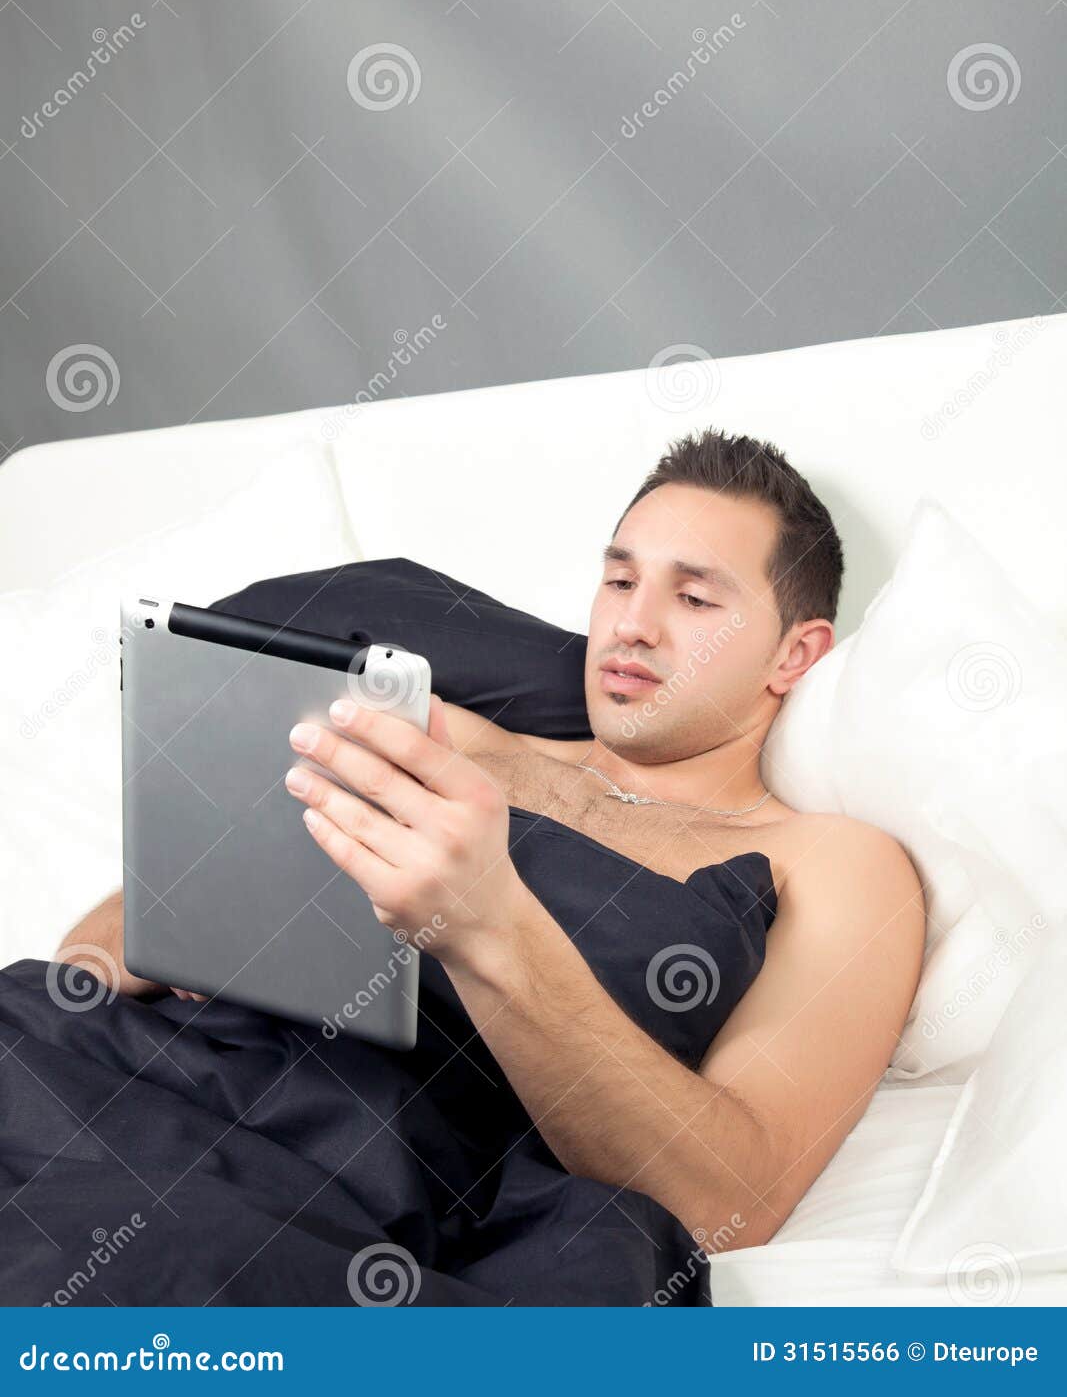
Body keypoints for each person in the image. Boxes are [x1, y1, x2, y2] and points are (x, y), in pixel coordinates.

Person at [61, 428, 925, 1258]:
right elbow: (96, 950)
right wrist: (174, 933)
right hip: (135, 1077)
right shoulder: (441, 737)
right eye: (619, 581)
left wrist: (489, 931)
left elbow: (727, 1203)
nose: (631, 625)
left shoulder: (834, 865)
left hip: (372, 1182)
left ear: (794, 656)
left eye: (694, 599)